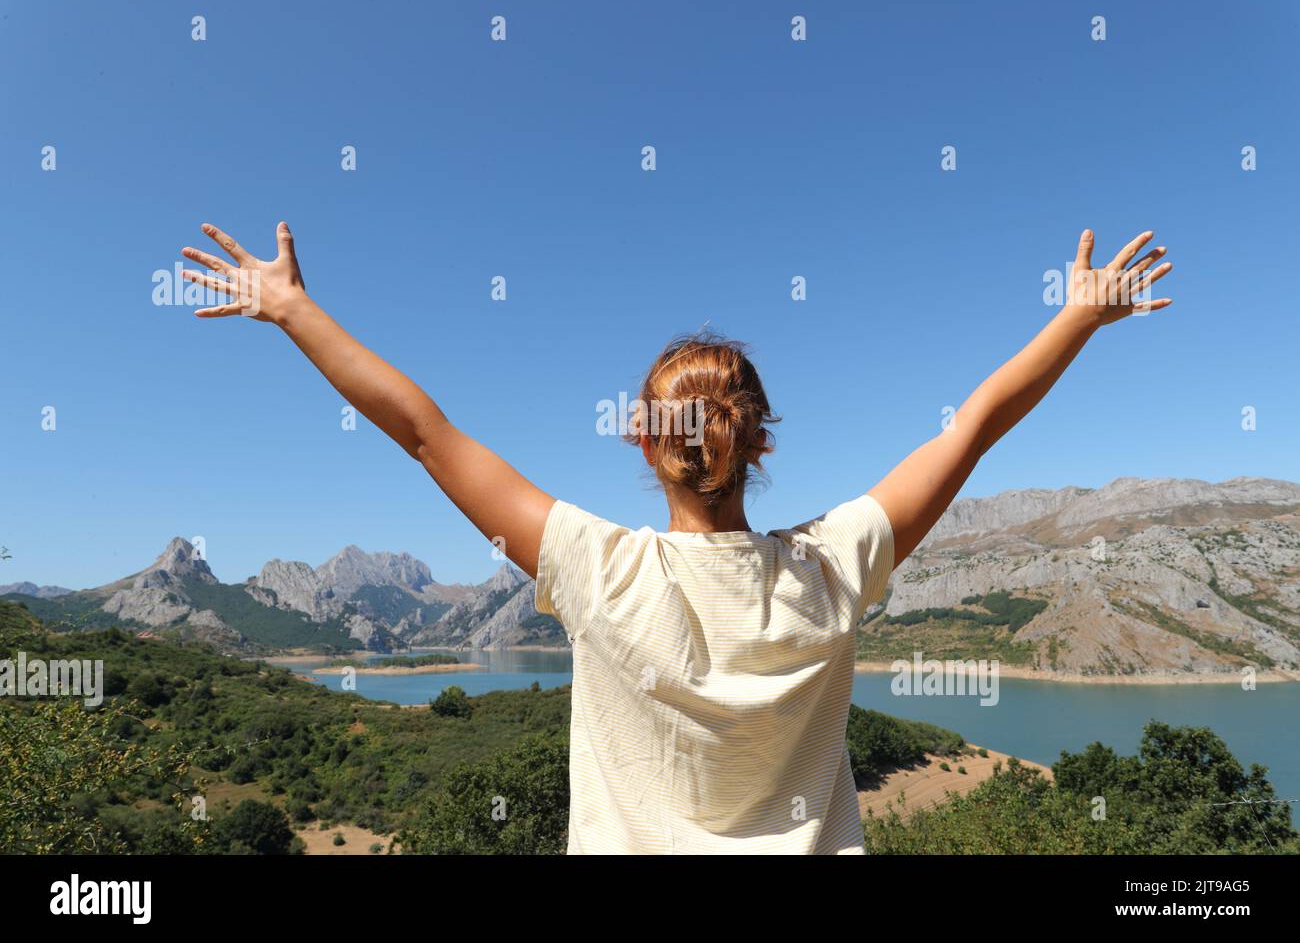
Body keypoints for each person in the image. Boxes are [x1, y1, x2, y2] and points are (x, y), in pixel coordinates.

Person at [181, 223, 1172, 853]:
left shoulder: (594, 567)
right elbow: (974, 426)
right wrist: (1076, 319)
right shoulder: (832, 564)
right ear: (761, 440)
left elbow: (423, 431)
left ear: (641, 441)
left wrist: (292, 308)